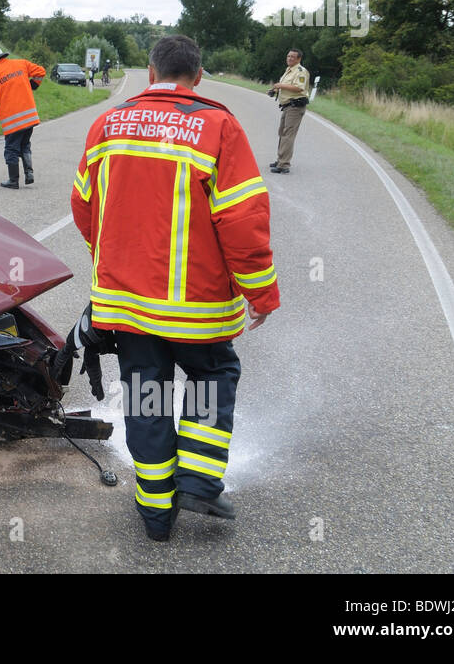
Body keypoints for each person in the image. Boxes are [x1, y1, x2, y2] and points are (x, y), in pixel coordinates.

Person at [70, 35, 279, 542]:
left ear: (149, 72)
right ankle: (200, 481)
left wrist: (114, 261)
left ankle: (155, 516)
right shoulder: (218, 127)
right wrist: (261, 292)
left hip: (125, 305)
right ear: (198, 76)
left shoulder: (108, 124)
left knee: (146, 397)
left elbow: (83, 207)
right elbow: (243, 219)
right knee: (214, 375)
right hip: (196, 307)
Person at [0, 47, 44, 189]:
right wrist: (34, 84)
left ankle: (13, 181)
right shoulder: (21, 64)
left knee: (11, 149)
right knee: (25, 145)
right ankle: (29, 174)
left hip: (12, 121)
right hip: (30, 117)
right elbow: (40, 72)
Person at [268, 48, 310, 174]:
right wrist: (274, 90)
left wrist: (280, 86)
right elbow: (286, 86)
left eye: (293, 57)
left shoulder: (301, 71)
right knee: (282, 133)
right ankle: (281, 159)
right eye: (288, 56)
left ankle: (284, 165)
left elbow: (298, 88)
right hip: (287, 106)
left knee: (288, 135)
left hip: (295, 107)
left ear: (299, 59)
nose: (289, 58)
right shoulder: (288, 70)